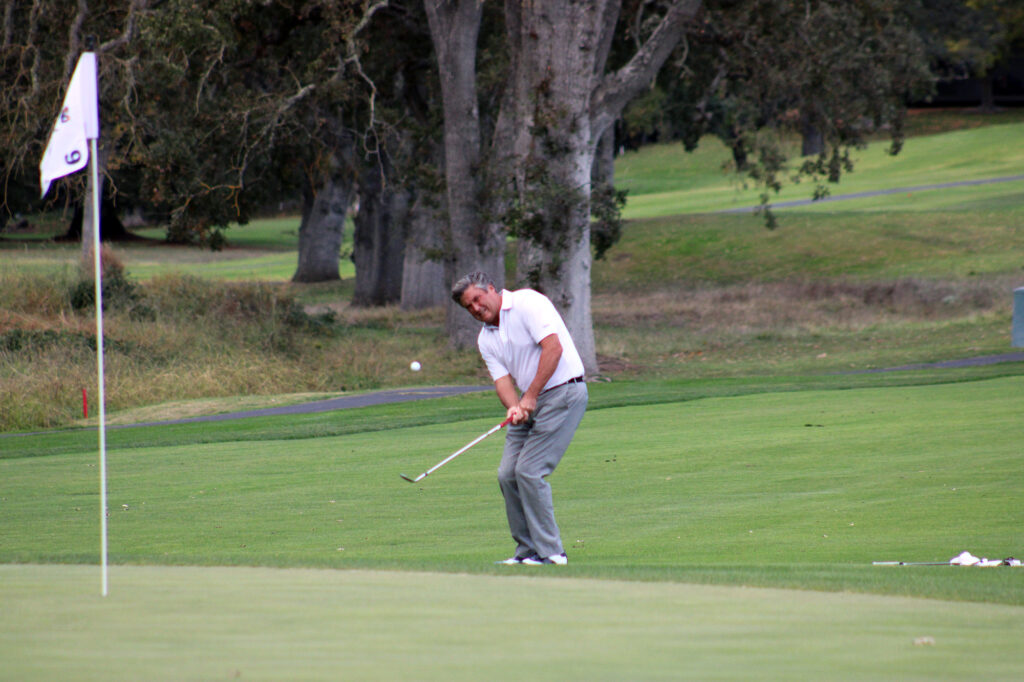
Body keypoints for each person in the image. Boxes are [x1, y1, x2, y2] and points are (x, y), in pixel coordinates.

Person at [451, 271, 588, 565]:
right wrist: (514, 406)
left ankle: (552, 552)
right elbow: (502, 381)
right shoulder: (485, 338)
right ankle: (528, 551)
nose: (475, 308)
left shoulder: (527, 303)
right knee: (508, 474)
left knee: (529, 470)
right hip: (530, 399)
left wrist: (530, 397)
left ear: (491, 288)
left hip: (563, 392)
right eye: (468, 306)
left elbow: (553, 348)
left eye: (477, 299)